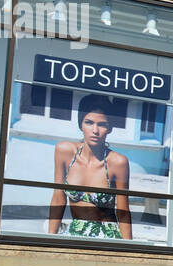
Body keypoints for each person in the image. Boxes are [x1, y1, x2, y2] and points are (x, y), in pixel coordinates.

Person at [48, 94, 132, 240]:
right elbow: (58, 199)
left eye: (102, 124)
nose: (95, 130)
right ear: (81, 124)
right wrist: (48, 240)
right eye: (89, 122)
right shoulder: (64, 152)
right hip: (74, 233)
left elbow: (123, 211)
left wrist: (130, 251)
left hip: (107, 237)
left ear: (110, 128)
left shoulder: (118, 163)